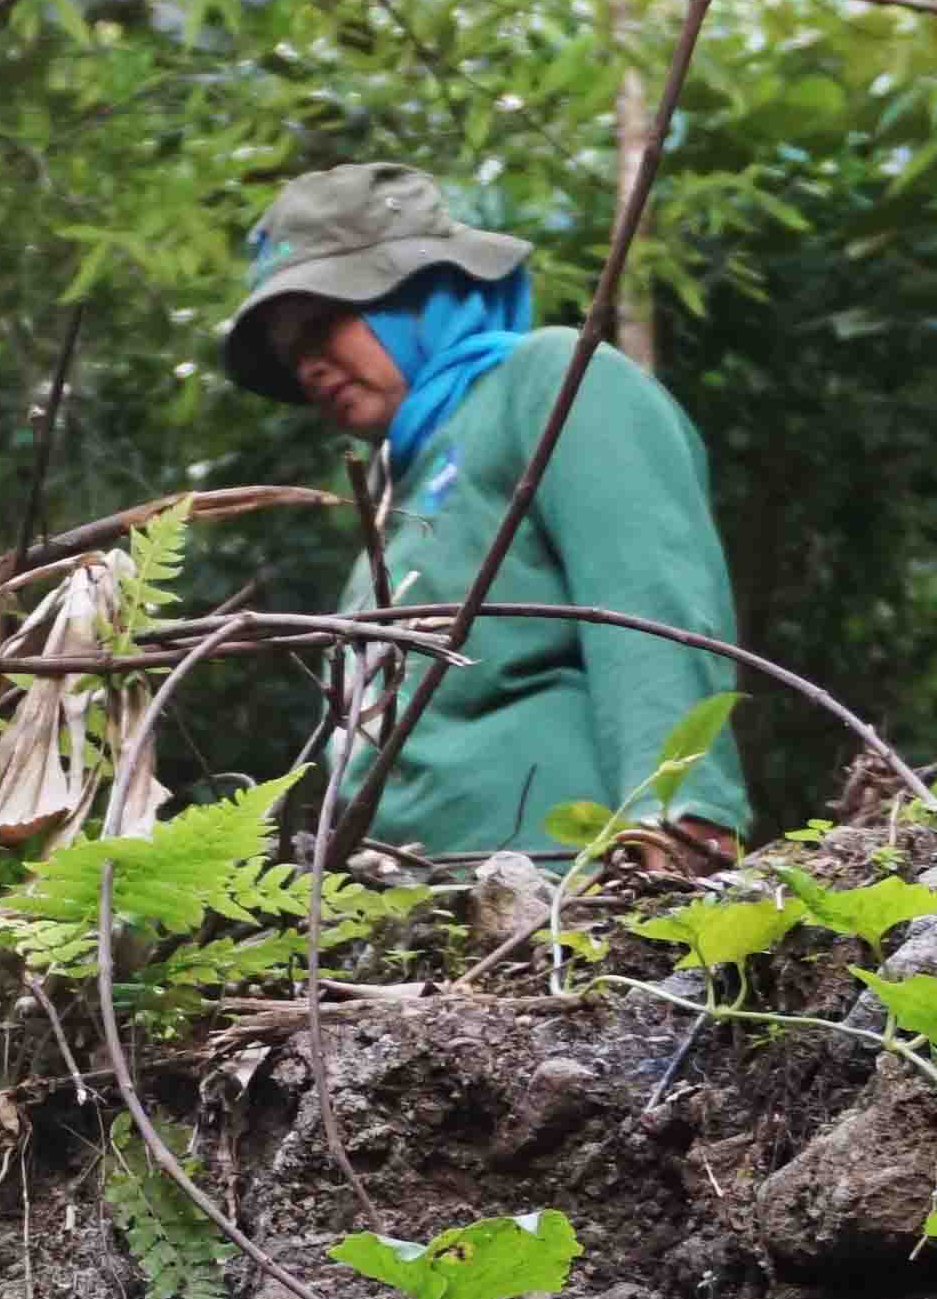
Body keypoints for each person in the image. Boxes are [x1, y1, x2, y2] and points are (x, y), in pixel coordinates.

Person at [223, 161, 752, 864]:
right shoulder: (394, 486)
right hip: (419, 921)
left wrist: (679, 816)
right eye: (293, 353)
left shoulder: (551, 380)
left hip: (571, 888)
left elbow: (649, 593)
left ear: (420, 295)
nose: (310, 366)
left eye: (324, 323)